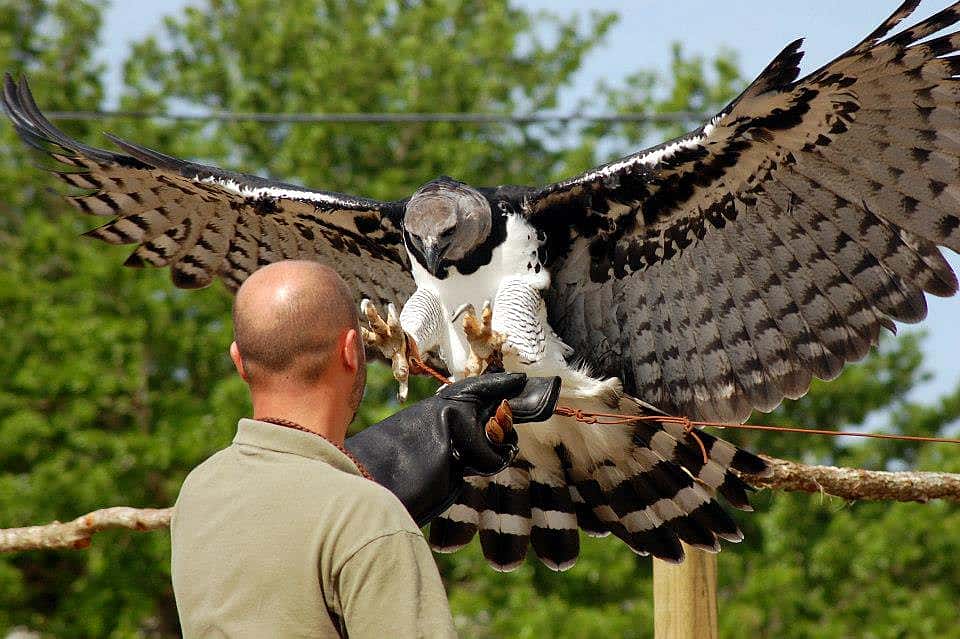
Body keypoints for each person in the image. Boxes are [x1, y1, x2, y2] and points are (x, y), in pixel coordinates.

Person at [170, 260, 559, 638]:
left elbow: (294, 509)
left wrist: (425, 440)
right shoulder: (370, 521)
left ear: (238, 360)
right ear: (352, 351)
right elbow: (332, 514)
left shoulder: (199, 493)